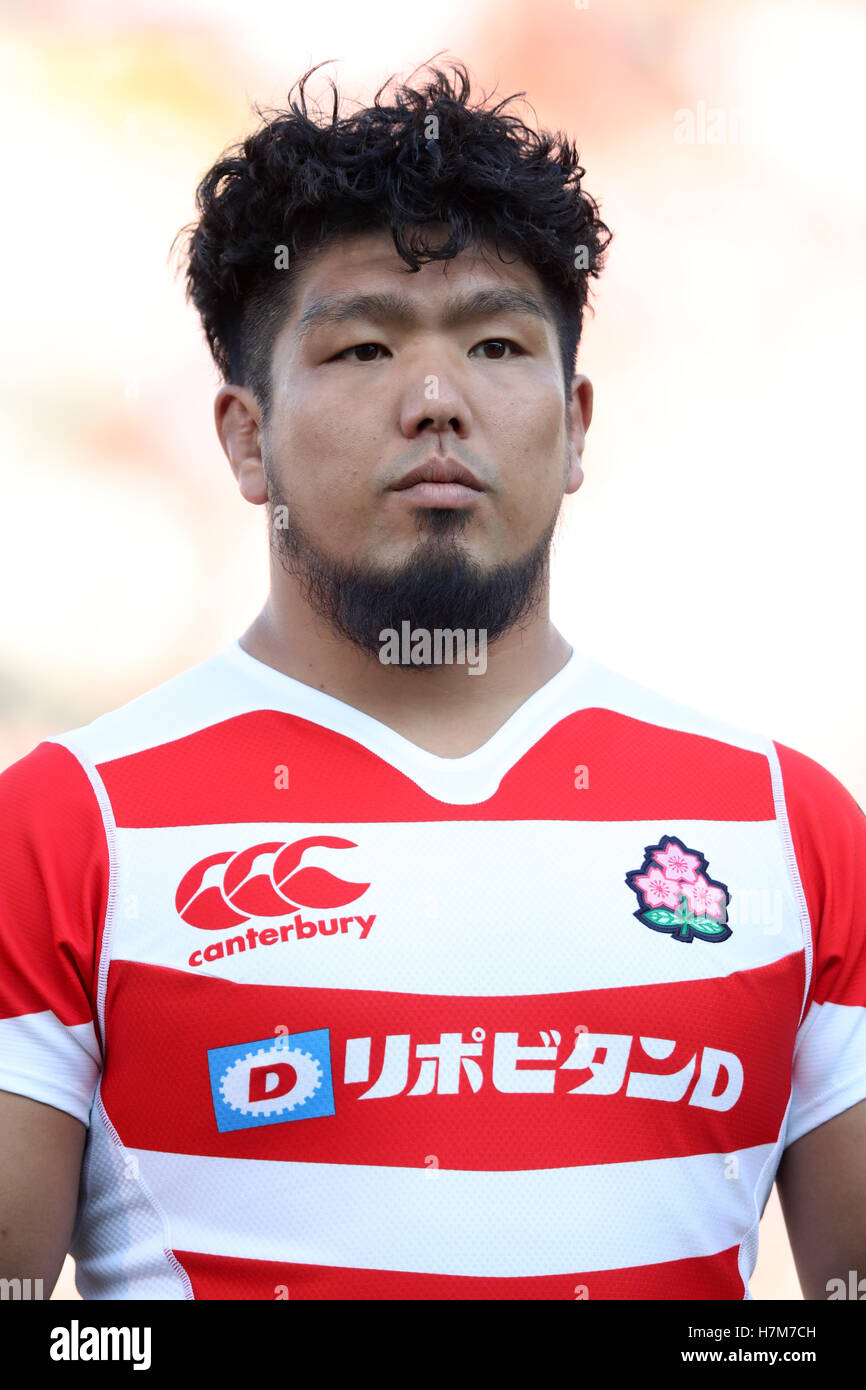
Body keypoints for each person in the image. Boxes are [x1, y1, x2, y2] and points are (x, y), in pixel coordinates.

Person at [1, 59, 863, 1302]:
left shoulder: (788, 828)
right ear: (245, 438)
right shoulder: (65, 826)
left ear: (573, 423)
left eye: (496, 342)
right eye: (360, 348)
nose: (435, 400)